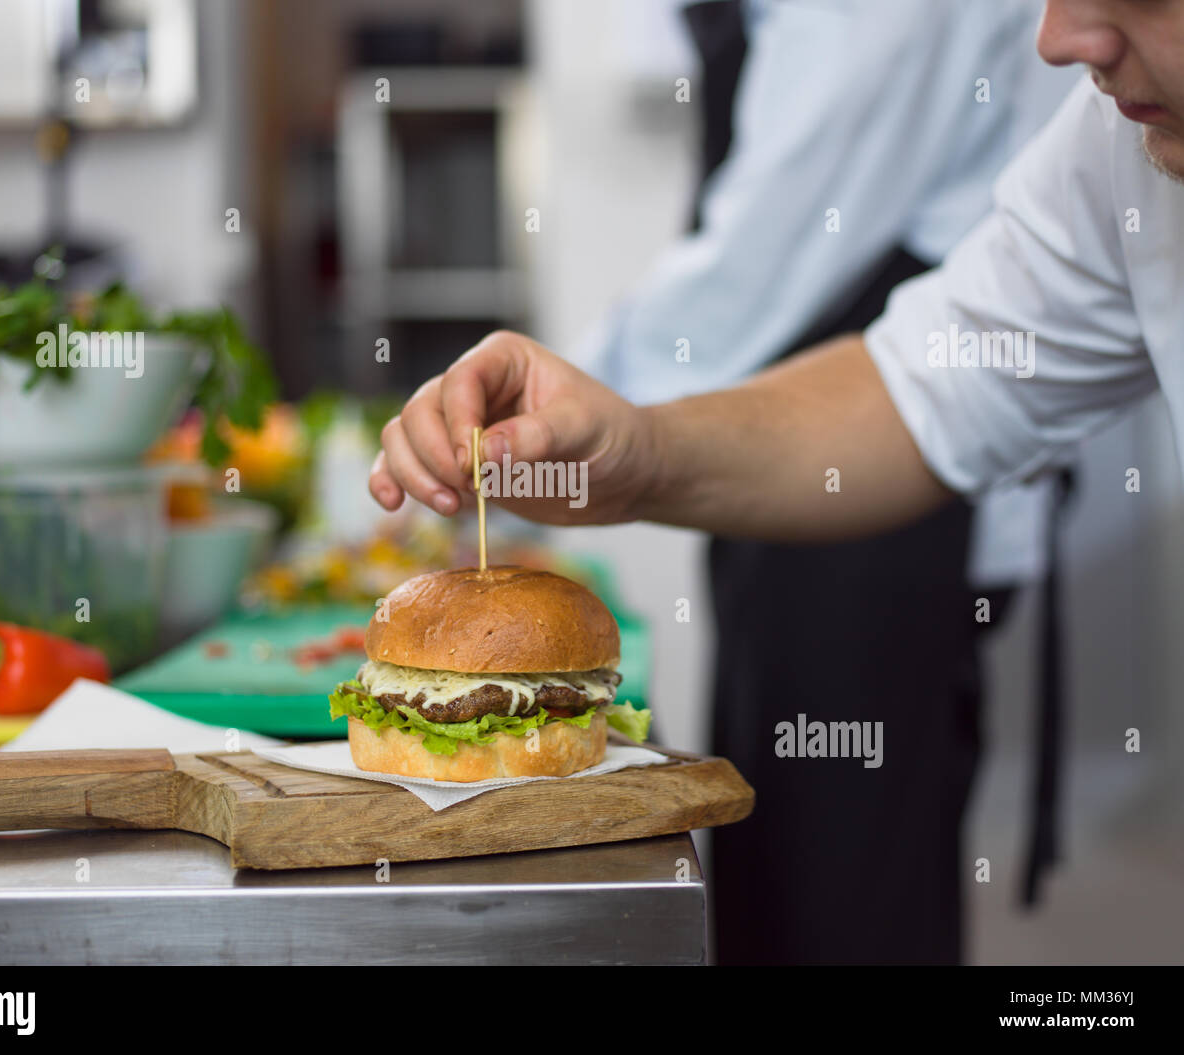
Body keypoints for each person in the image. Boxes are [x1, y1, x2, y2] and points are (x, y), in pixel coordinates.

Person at [368, 0, 1184, 962]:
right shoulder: (1116, 151)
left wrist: (625, 378)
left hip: (877, 565)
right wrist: (636, 450)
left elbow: (778, 244)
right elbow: (930, 383)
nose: (1057, 41)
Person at [573, 0, 1078, 964]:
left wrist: (566, 410)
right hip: (794, 479)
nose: (1074, 39)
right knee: (780, 871)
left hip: (876, 507)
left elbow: (781, 237)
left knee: (842, 905)